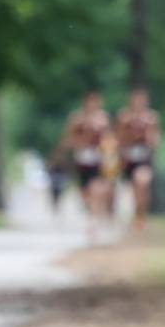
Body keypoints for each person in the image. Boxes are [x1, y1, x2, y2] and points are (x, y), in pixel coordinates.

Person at [63, 90, 112, 238]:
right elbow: (69, 138)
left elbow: (109, 139)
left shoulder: (103, 119)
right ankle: (93, 215)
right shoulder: (76, 118)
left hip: (97, 160)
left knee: (96, 190)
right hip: (81, 160)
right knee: (85, 194)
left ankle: (93, 223)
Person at [115, 87, 162, 232]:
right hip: (129, 159)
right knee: (135, 189)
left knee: (142, 182)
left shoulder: (152, 117)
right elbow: (118, 139)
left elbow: (157, 140)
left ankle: (140, 215)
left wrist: (149, 137)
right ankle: (138, 214)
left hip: (144, 158)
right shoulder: (124, 117)